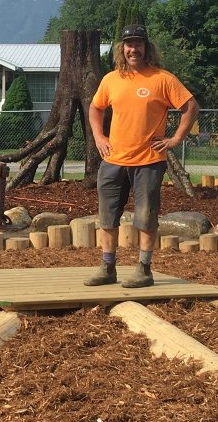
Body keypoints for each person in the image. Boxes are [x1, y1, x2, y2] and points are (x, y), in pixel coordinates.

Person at [84, 24, 199, 288]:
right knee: (107, 217)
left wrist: (176, 139)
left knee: (146, 217)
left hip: (148, 161)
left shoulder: (162, 79)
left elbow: (190, 106)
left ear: (147, 48)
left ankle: (144, 270)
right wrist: (100, 138)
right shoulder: (111, 79)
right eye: (128, 44)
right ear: (121, 49)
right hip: (113, 160)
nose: (133, 49)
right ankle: (107, 267)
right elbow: (94, 108)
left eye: (138, 44)